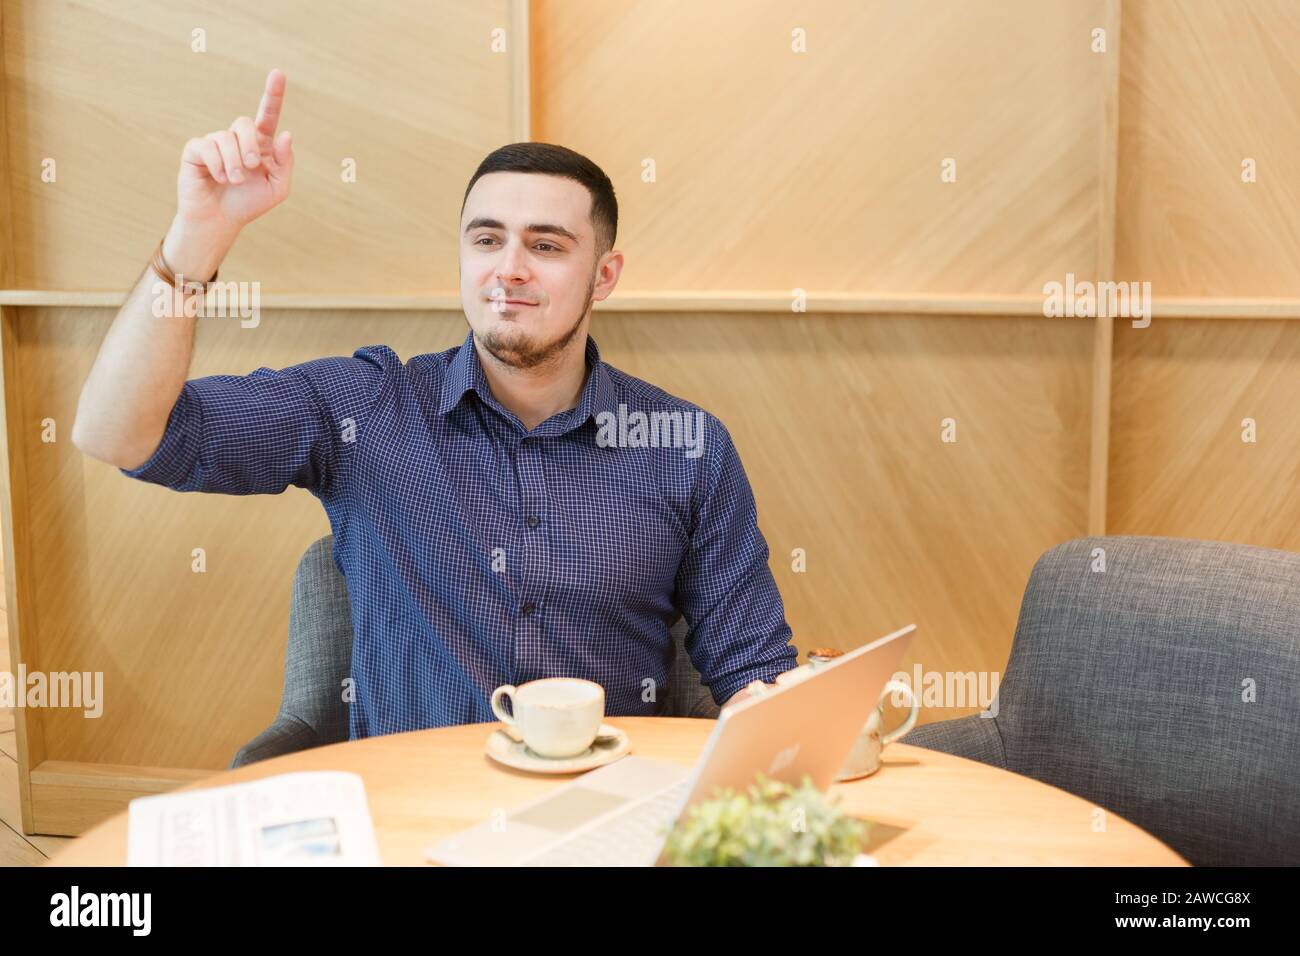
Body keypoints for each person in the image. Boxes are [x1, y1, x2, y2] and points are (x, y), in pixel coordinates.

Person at [71, 68, 797, 739]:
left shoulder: (685, 446)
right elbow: (119, 435)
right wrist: (197, 238)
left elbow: (753, 677)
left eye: (546, 247)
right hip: (412, 820)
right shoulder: (366, 409)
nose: (508, 270)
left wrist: (768, 731)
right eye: (487, 239)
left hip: (603, 815)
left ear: (603, 276)